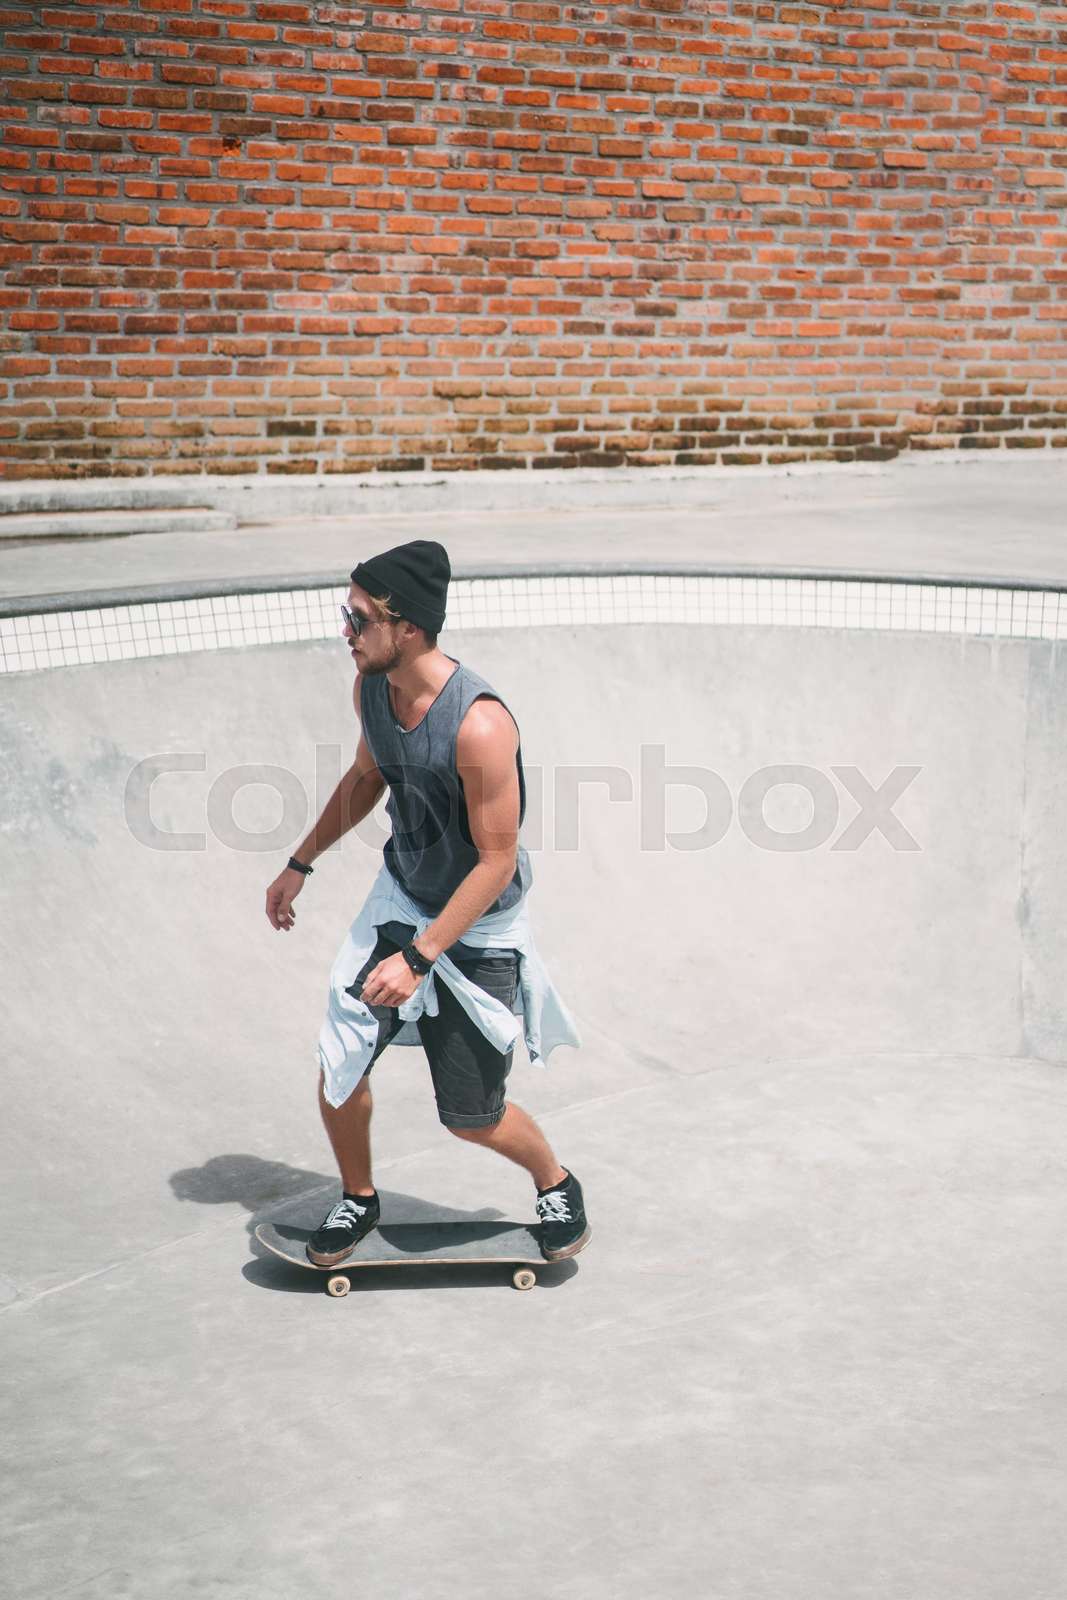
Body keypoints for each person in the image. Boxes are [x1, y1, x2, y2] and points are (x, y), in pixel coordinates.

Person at [264, 539, 589, 1269]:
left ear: (405, 626)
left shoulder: (479, 724)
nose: (344, 632)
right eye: (344, 614)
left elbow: (495, 862)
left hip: (479, 922)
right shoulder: (371, 690)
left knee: (471, 1116)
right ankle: (359, 1196)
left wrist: (418, 958)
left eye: (357, 619)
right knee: (341, 1060)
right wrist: (300, 861)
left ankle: (555, 1181)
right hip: (402, 898)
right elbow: (366, 776)